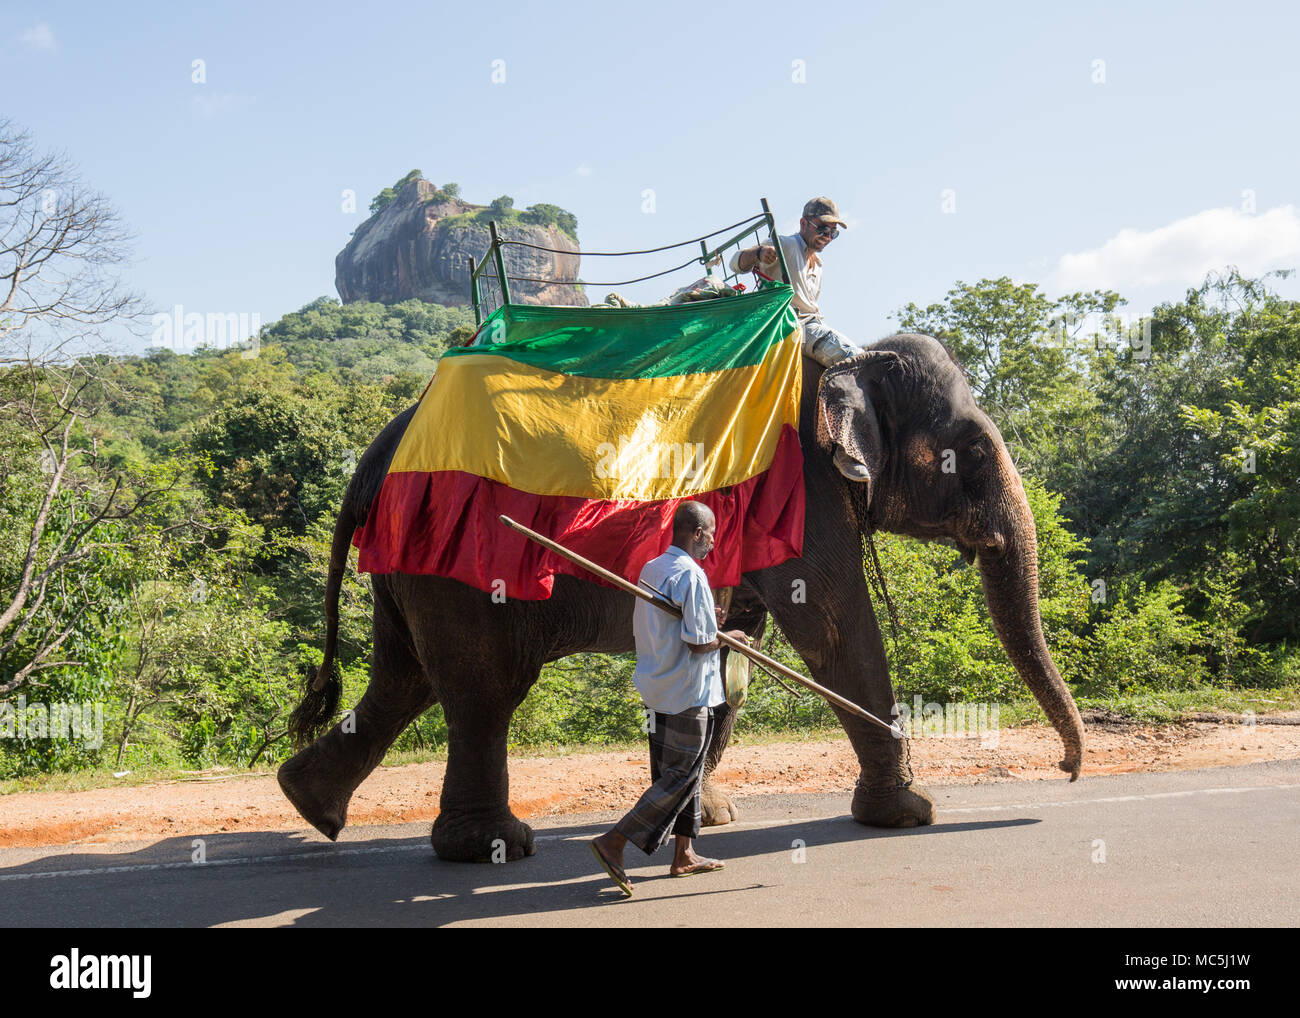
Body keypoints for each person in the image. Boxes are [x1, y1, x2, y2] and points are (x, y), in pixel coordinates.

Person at [590, 500, 750, 897]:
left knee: (682, 774)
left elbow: (674, 622)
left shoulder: (653, 568)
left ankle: (684, 854)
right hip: (687, 693)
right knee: (681, 775)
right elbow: (698, 644)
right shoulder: (692, 576)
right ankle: (614, 841)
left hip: (658, 685)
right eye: (710, 533)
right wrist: (731, 639)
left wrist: (709, 620)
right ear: (696, 533)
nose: (713, 540)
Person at [730, 196, 859, 367]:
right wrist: (759, 253)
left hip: (813, 325)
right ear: (803, 223)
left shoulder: (818, 265)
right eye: (822, 229)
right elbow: (734, 263)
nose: (827, 237)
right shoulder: (786, 245)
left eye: (832, 233)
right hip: (793, 326)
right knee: (854, 357)